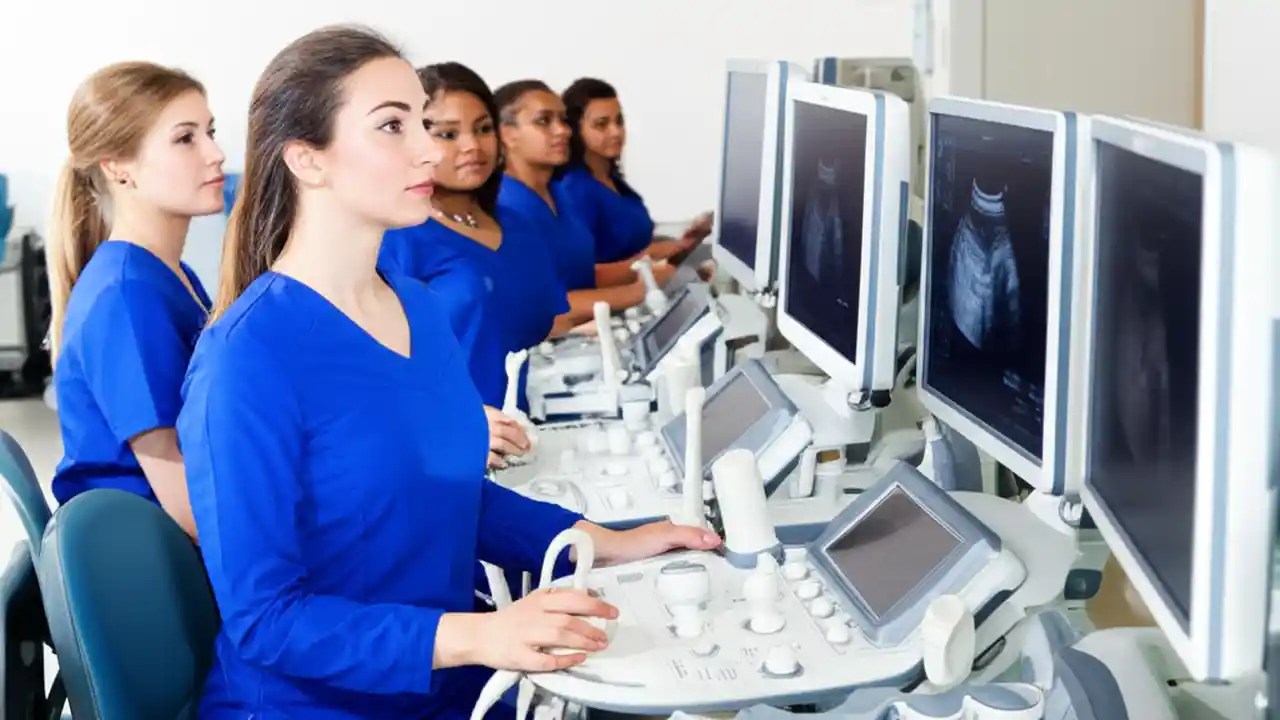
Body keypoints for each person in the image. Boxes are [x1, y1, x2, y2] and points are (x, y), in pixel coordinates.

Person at [178, 26, 720, 720]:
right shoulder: (245, 360)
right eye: (393, 127)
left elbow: (452, 493)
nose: (430, 151)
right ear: (307, 161)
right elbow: (267, 620)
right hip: (318, 703)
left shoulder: (415, 308)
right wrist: (481, 634)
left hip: (443, 679)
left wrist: (603, 541)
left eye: (422, 125)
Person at [46, 61, 225, 538]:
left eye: (210, 131)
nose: (216, 153)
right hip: (159, 563)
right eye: (186, 138)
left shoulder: (169, 274)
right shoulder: (125, 295)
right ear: (118, 166)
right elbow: (180, 492)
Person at [378, 63, 575, 439]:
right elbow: (363, 377)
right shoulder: (396, 237)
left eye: (483, 129)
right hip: (438, 449)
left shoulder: (517, 225)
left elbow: (533, 323)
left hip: (522, 440)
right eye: (448, 134)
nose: (472, 145)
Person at [493, 80, 667, 317]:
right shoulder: (503, 207)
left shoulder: (559, 195)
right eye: (544, 121)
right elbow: (537, 304)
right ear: (507, 134)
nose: (563, 130)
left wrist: (648, 269)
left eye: (563, 120)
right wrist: (640, 291)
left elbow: (581, 274)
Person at [556, 77, 712, 265]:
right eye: (602, 124)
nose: (616, 132)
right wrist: (651, 255)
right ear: (575, 130)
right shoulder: (574, 191)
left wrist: (684, 241)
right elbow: (583, 272)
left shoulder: (612, 180)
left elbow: (633, 243)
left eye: (619, 121)